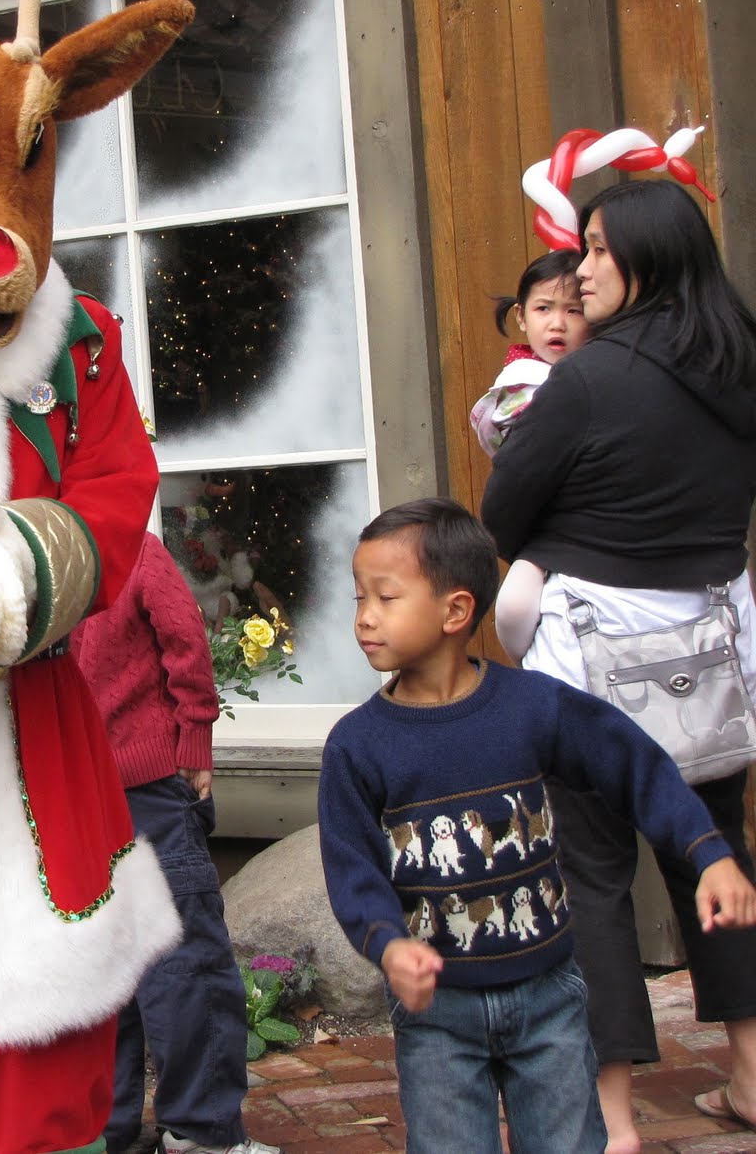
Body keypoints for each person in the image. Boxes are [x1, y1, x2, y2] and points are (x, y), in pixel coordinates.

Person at [319, 497, 756, 1154]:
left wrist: (709, 851)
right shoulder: (357, 746)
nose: (364, 618)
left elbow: (637, 766)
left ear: (455, 610)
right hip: (438, 1013)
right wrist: (387, 944)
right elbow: (352, 868)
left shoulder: (533, 707)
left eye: (384, 596)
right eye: (359, 597)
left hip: (550, 998)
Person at [480, 179, 756, 1152]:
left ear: (646, 255)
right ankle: (752, 1073)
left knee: (588, 874)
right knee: (712, 854)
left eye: (596, 248)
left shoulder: (585, 383)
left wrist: (566, 529)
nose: (581, 266)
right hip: (715, 651)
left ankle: (612, 1117)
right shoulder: (738, 362)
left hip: (592, 663)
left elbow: (502, 514)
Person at [69, 531, 278, 1154]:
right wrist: (193, 741)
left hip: (69, 790)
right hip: (144, 785)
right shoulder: (128, 543)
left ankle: (109, 1130)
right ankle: (201, 1130)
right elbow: (186, 638)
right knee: (185, 960)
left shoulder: (31, 547)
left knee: (100, 965)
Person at [468, 250, 587, 661]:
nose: (558, 322)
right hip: (543, 521)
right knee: (517, 604)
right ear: (521, 316)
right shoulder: (522, 381)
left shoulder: (597, 373)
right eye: (544, 308)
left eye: (575, 310)